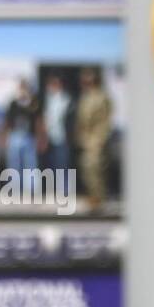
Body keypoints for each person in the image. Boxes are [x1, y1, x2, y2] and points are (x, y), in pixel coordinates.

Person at [74, 67, 113, 209]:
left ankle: (99, 197)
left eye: (87, 78)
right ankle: (93, 196)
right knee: (86, 168)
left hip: (97, 140)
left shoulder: (102, 97)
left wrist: (100, 139)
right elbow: (82, 120)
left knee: (95, 167)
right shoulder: (86, 96)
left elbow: (105, 121)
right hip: (86, 139)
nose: (84, 81)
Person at [2, 79, 39, 175]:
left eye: (24, 87)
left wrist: (28, 101)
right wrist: (5, 135)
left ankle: (30, 187)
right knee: (14, 163)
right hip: (15, 136)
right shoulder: (14, 103)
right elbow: (8, 120)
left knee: (30, 163)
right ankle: (14, 186)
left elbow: (37, 119)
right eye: (21, 87)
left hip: (29, 136)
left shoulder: (33, 103)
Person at [41, 73, 73, 177]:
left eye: (52, 84)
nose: (49, 87)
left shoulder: (66, 99)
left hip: (62, 138)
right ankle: (54, 190)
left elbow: (66, 118)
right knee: (52, 166)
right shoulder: (48, 99)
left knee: (62, 165)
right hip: (50, 138)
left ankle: (65, 190)